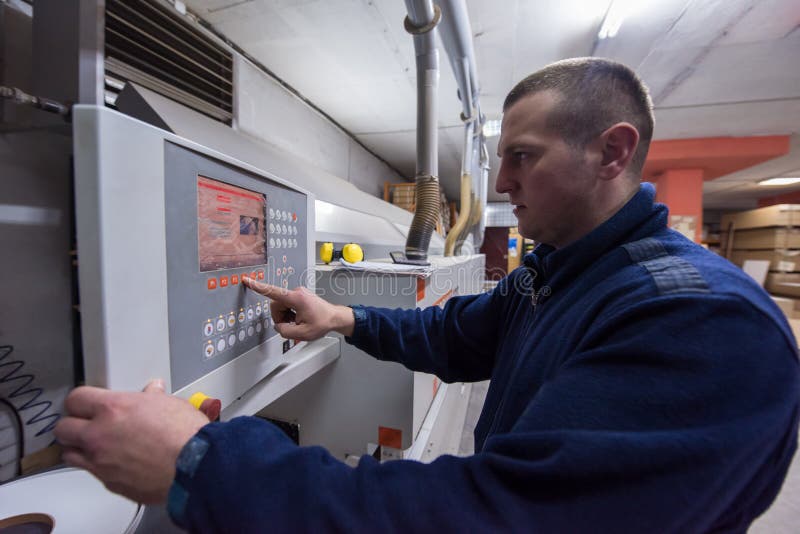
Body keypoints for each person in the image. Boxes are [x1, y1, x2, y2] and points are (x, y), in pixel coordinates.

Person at [54, 58, 799, 532]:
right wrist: (341, 317)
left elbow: (496, 517)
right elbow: (459, 336)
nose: (502, 185)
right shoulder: (569, 270)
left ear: (613, 151)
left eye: (522, 158)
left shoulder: (698, 324)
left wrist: (201, 462)